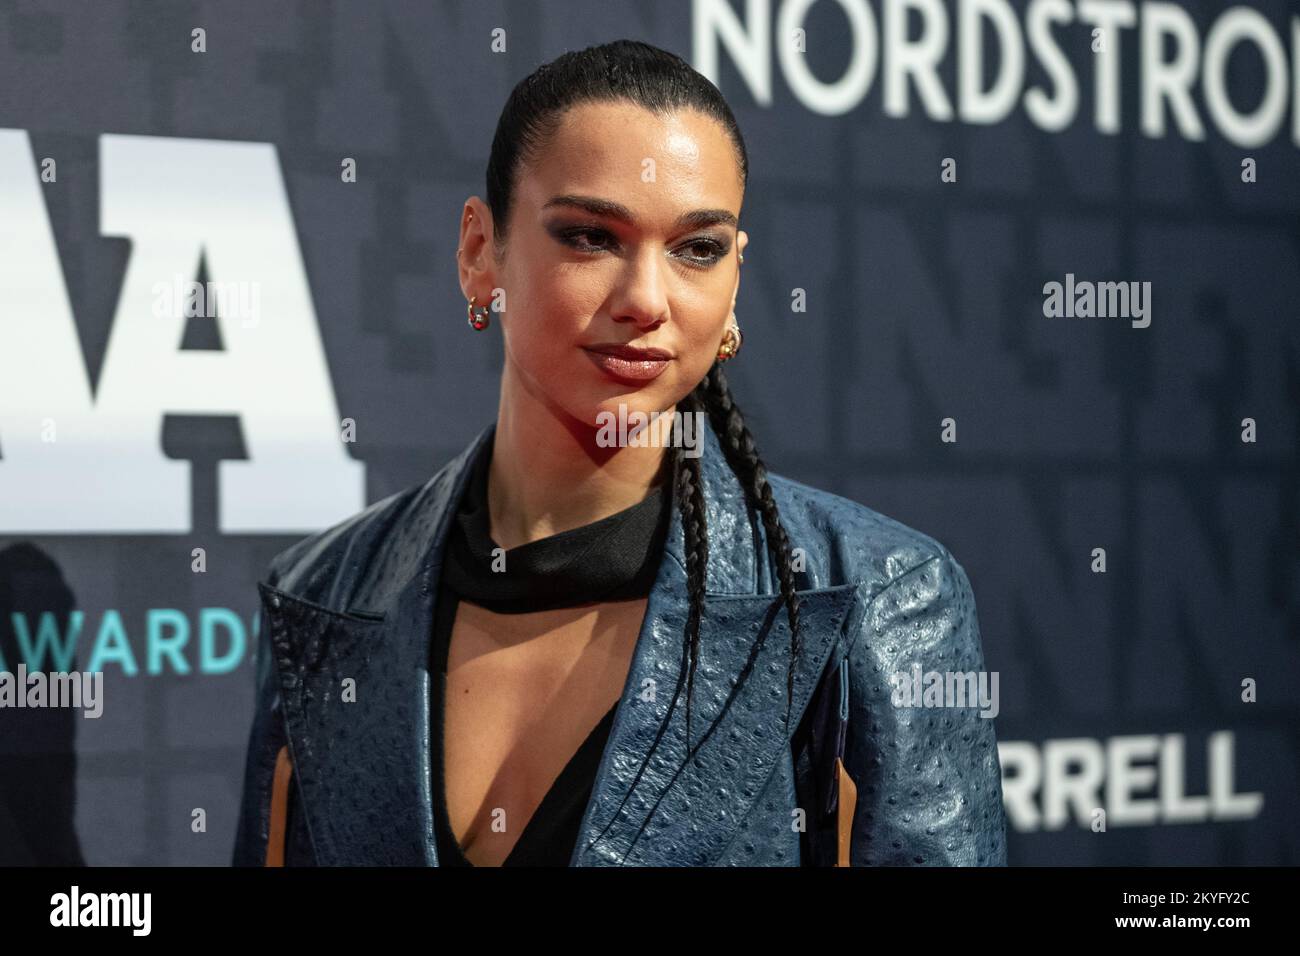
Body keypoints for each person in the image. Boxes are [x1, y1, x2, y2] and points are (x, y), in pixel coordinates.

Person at [232, 39, 1007, 867]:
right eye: (591, 237)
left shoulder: (877, 598)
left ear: (735, 278)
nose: (645, 300)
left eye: (697, 248)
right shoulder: (322, 594)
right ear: (477, 254)